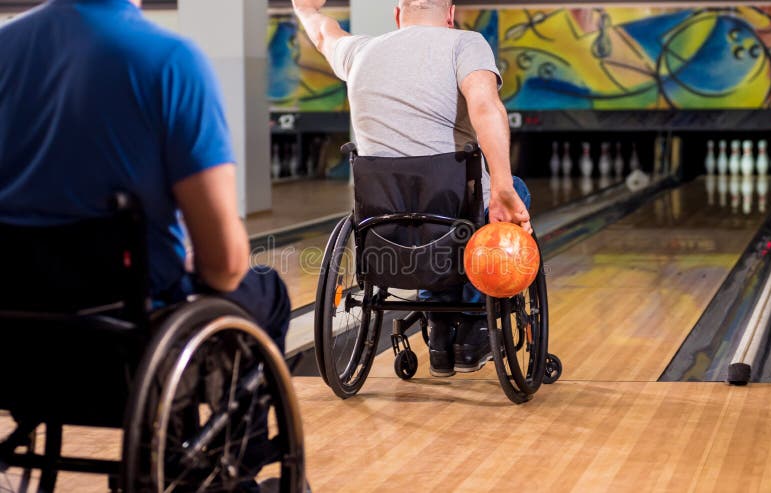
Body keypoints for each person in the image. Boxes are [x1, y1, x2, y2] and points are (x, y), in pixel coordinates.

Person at [0, 2, 289, 488]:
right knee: (264, 288)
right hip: (127, 350)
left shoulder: (5, 48)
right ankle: (230, 474)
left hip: (15, 350)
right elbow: (224, 266)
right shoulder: (168, 61)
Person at [293, 0, 533, 376]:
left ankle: (437, 330)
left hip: (385, 231)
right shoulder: (466, 44)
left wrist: (306, 10)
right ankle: (474, 329)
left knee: (437, 214)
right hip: (458, 229)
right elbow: (486, 108)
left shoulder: (360, 52)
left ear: (397, 15)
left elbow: (325, 34)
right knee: (513, 189)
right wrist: (502, 186)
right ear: (450, 15)